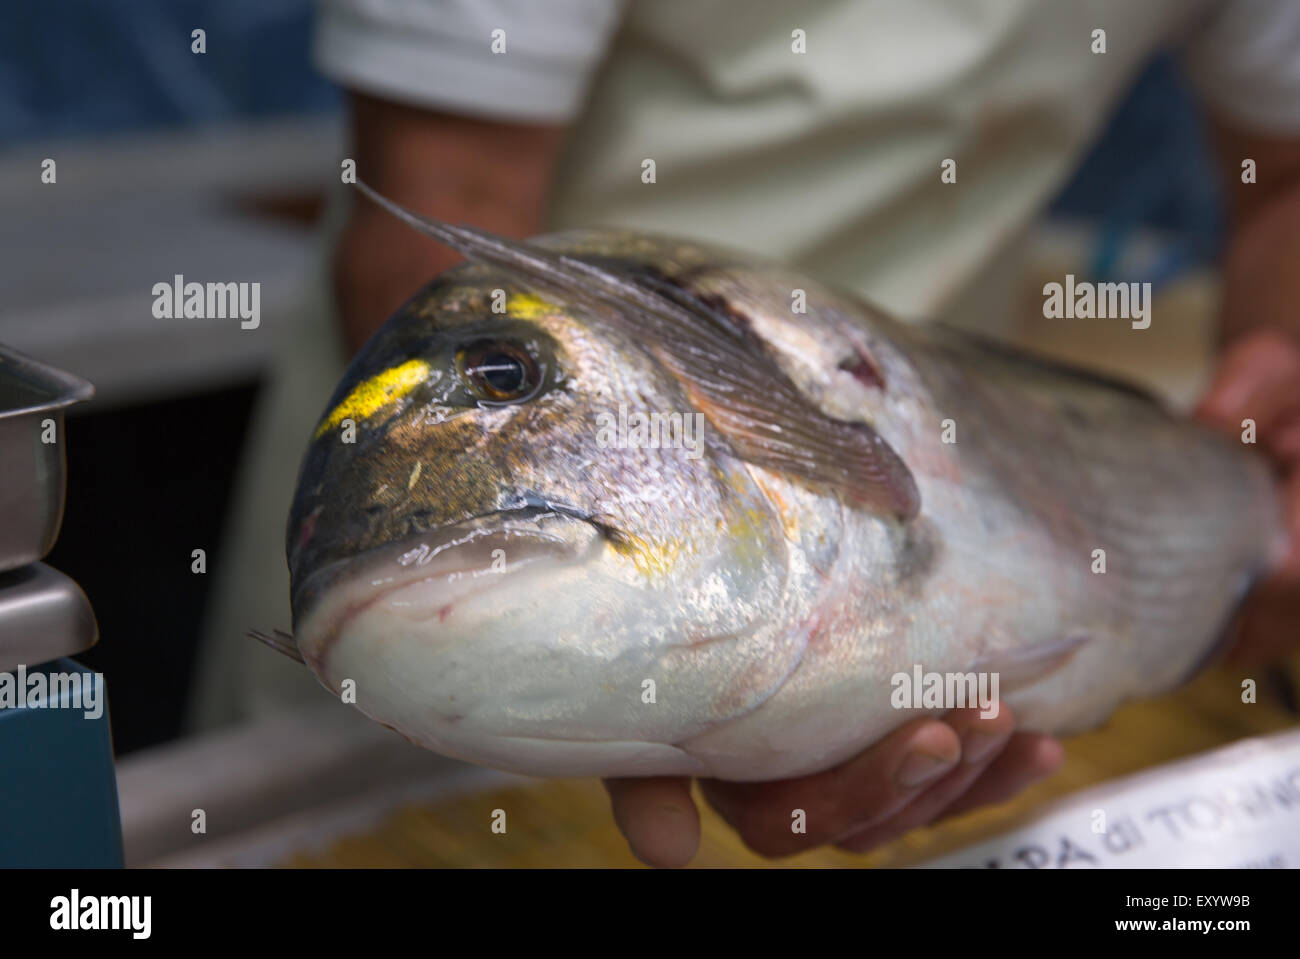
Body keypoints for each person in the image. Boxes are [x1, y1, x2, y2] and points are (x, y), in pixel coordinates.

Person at [194, 0, 1300, 867]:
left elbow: (1282, 170)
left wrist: (1277, 412)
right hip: (427, 444)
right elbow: (450, 179)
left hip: (950, 396)